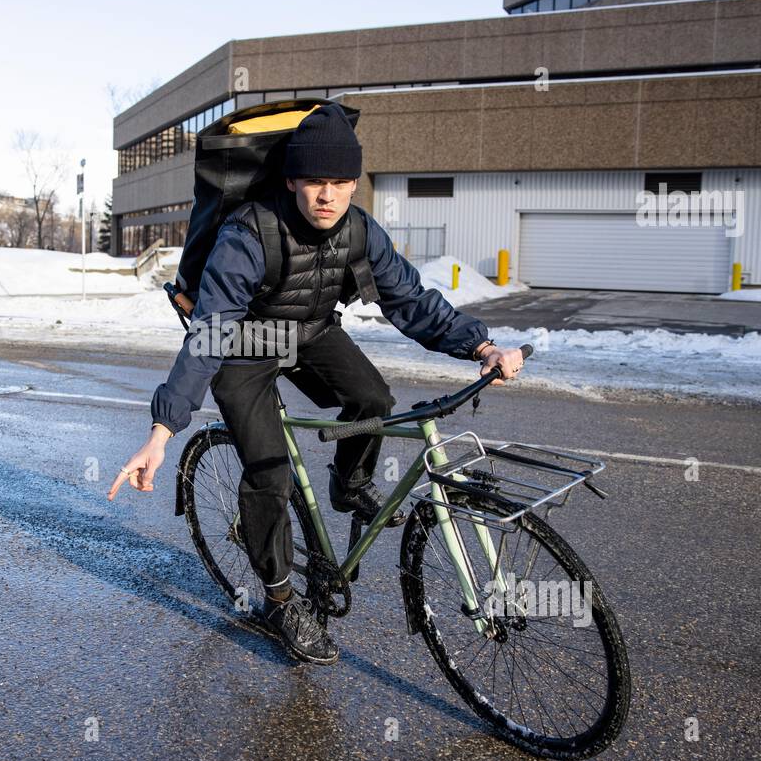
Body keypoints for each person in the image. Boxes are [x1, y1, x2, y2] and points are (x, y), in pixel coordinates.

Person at [107, 104, 524, 664]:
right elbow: (209, 336)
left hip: (308, 332)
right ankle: (280, 601)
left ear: (354, 184)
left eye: (339, 182)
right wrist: (162, 430)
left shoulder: (360, 230)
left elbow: (411, 301)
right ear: (292, 181)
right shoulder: (248, 234)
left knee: (373, 400)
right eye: (314, 181)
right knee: (269, 470)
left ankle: (349, 485)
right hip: (242, 345)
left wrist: (480, 345)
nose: (326, 195)